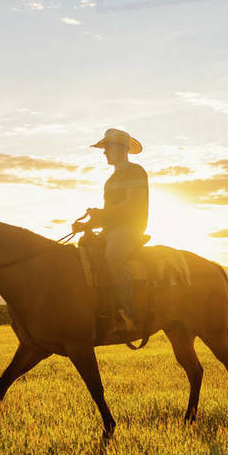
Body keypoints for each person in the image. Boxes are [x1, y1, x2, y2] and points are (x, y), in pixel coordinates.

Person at [74, 128, 149, 333]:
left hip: (130, 229)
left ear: (120, 148)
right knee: (82, 253)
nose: (104, 152)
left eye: (107, 148)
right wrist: (88, 224)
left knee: (114, 256)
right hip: (112, 230)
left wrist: (100, 214)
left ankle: (128, 314)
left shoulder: (135, 171)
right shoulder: (111, 180)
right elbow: (110, 215)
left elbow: (131, 205)